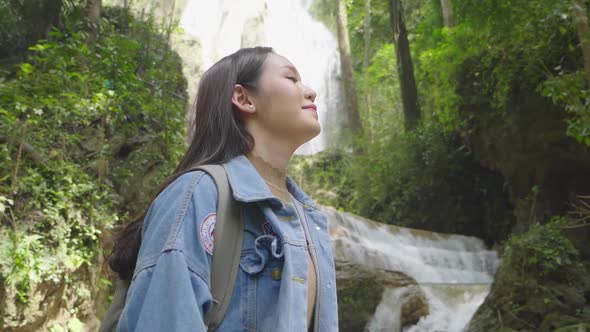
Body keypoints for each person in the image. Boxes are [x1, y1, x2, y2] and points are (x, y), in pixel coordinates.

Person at [108, 46, 339, 332]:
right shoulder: (196, 195)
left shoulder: (308, 218)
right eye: (291, 78)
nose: (310, 91)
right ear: (243, 98)